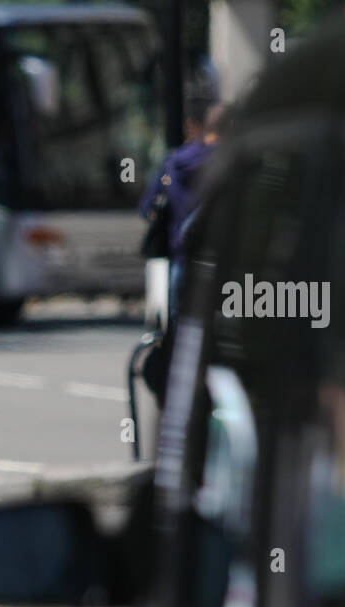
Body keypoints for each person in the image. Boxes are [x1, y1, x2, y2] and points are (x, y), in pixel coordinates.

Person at [137, 98, 224, 402]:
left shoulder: (175, 163)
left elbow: (149, 209)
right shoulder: (237, 163)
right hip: (227, 270)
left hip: (183, 266)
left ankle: (184, 402)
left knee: (182, 339)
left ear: (195, 128)